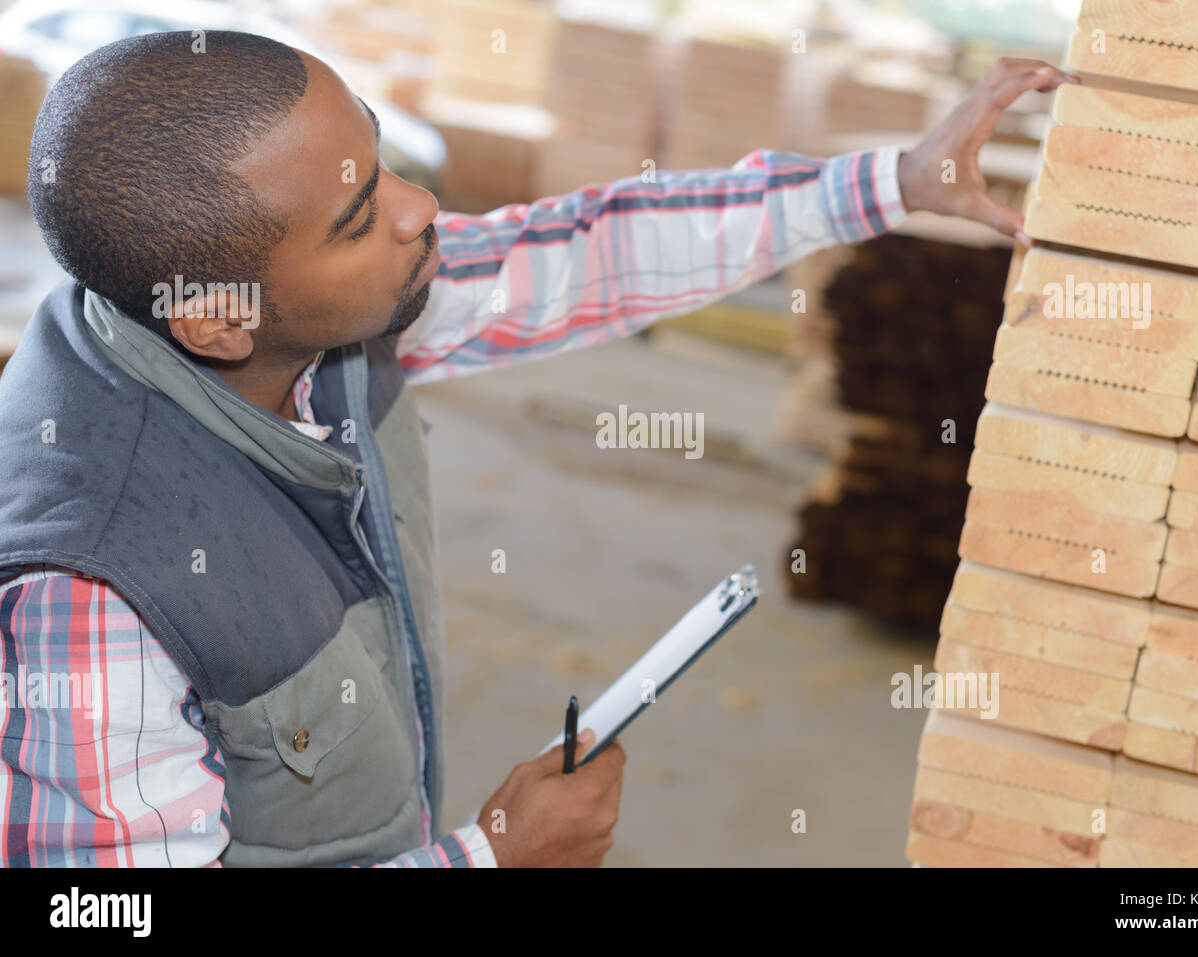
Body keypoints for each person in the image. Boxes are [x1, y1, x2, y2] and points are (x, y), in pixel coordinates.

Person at [0, 29, 1074, 867]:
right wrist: (494, 858)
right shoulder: (92, 595)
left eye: (380, 160)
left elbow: (582, 253)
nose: (423, 209)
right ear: (218, 321)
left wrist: (893, 183)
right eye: (360, 215)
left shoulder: (301, 312)